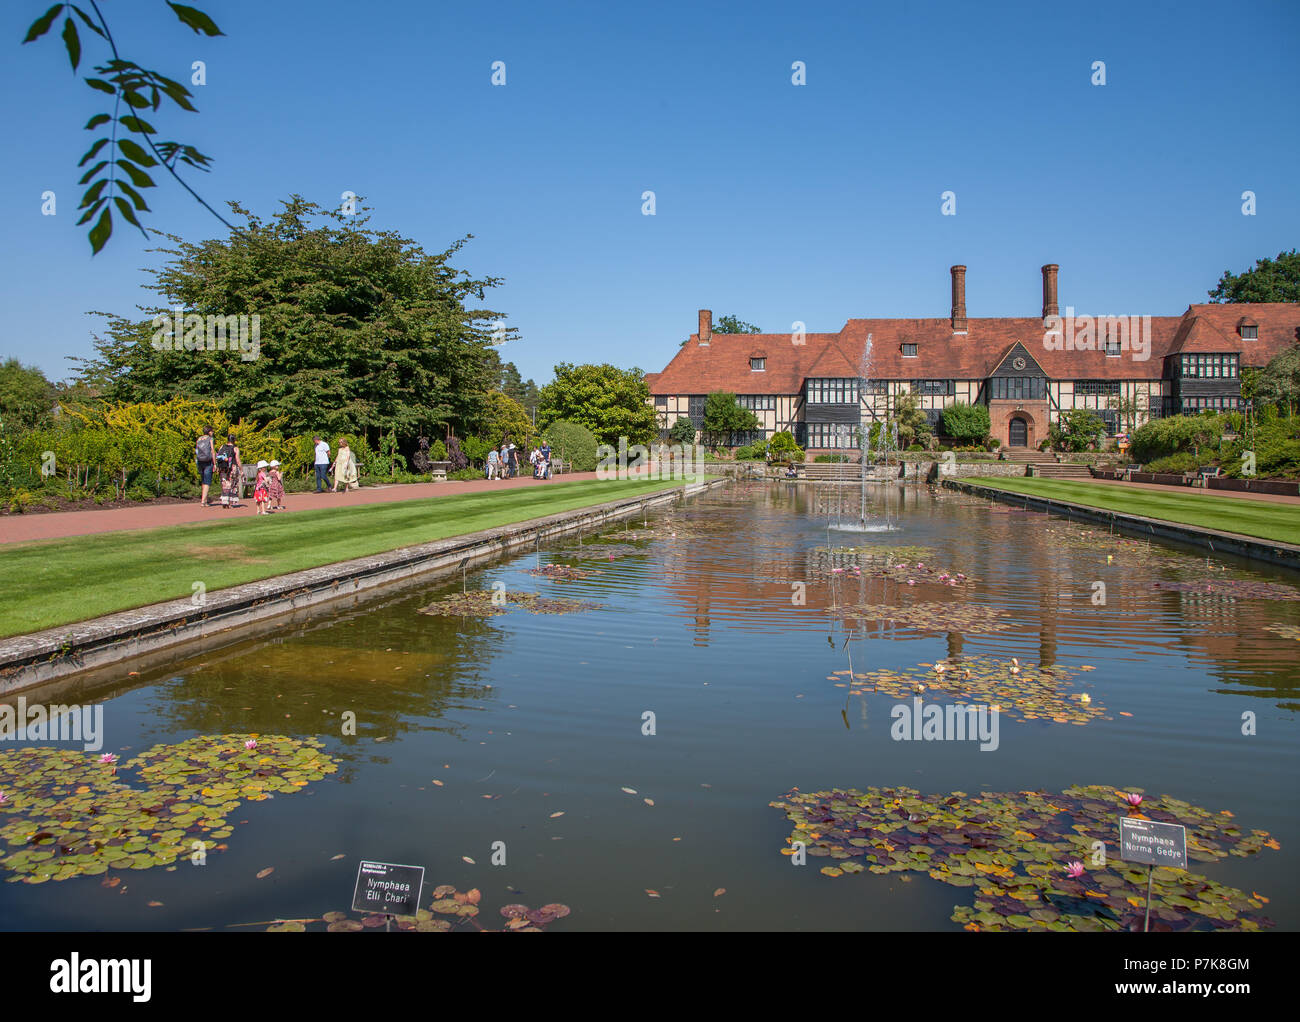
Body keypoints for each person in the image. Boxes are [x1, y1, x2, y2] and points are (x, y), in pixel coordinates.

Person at [215, 432, 242, 508]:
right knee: (232, 484)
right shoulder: (235, 448)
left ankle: (224, 501)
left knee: (224, 484)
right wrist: (241, 470)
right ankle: (229, 502)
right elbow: (238, 460)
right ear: (234, 440)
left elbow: (219, 456)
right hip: (232, 468)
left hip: (223, 468)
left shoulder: (222, 446)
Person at [195, 425, 216, 506]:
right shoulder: (210, 439)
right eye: (212, 431)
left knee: (203, 481)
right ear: (209, 431)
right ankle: (203, 501)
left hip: (200, 461)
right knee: (207, 482)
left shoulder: (199, 439)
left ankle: (205, 500)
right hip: (208, 461)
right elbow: (212, 451)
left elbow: (196, 451)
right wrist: (214, 463)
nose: (213, 432)